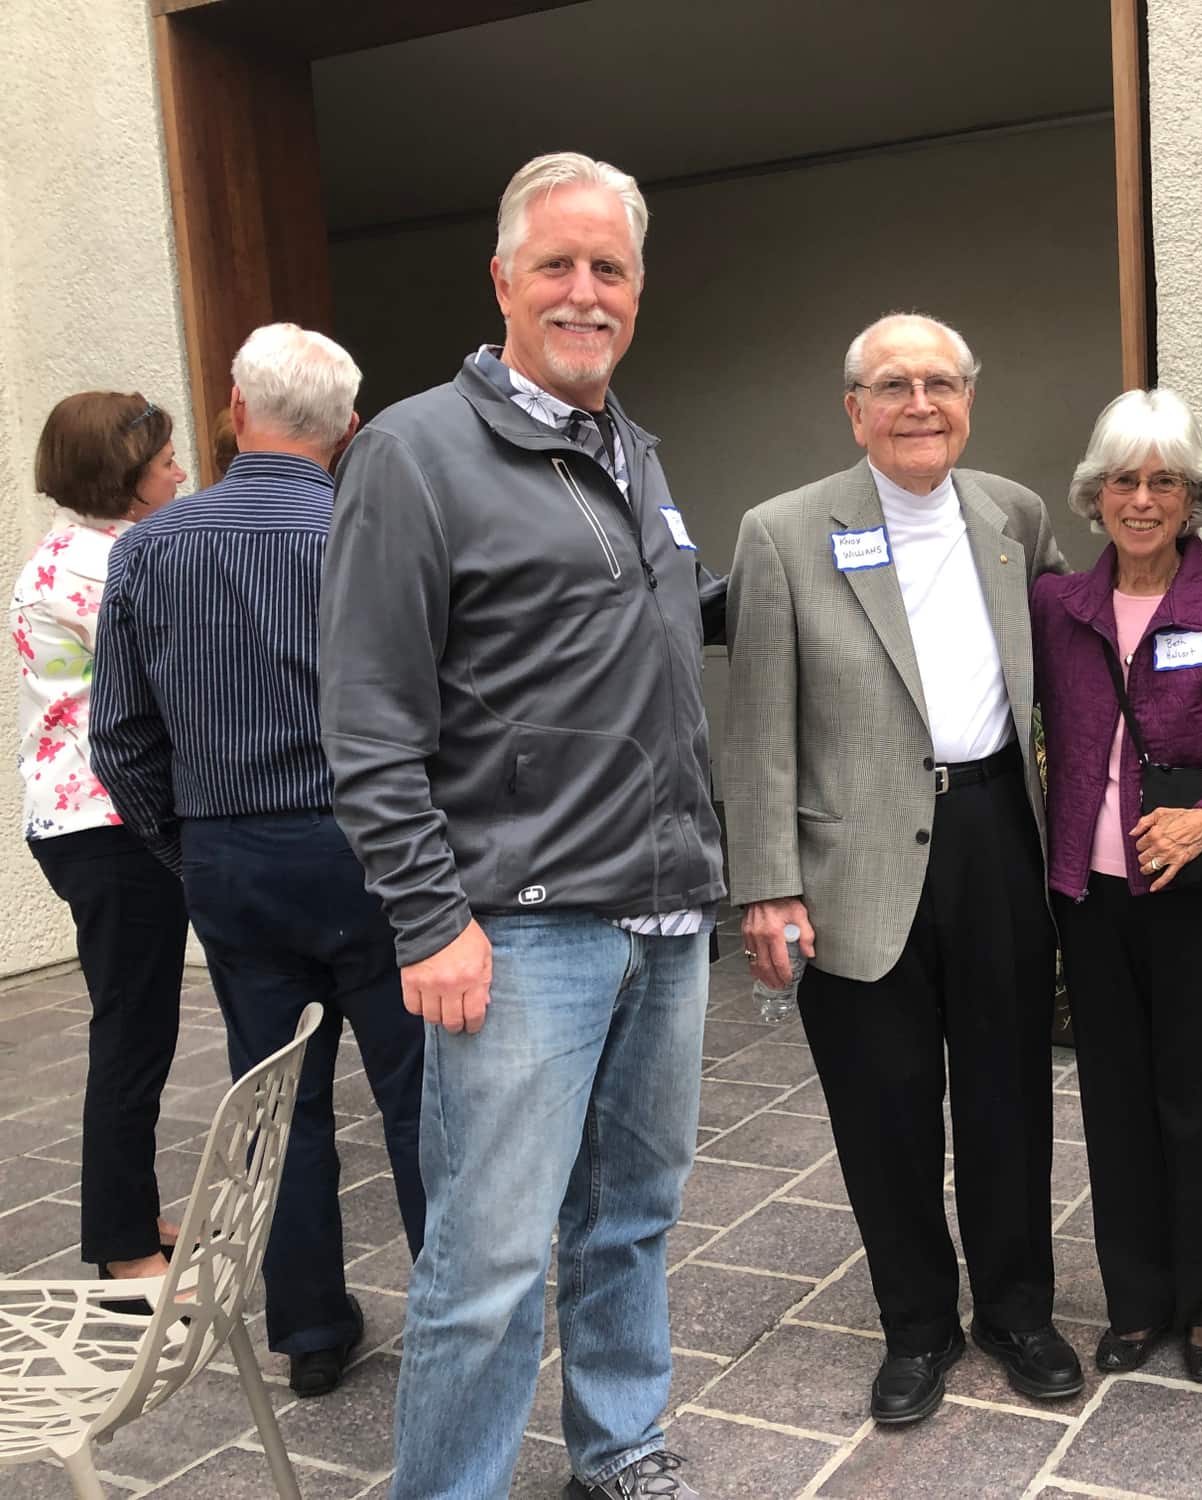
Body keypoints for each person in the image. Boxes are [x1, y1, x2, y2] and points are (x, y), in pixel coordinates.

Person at [320, 152, 724, 1500]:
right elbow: (368, 715)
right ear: (503, 278)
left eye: (610, 268)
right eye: (557, 264)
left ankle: (619, 1448)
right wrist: (428, 917)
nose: (585, 291)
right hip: (524, 926)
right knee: (487, 1260)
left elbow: (638, 644)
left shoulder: (635, 453)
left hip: (665, 914)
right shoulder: (416, 452)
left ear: (640, 288)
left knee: (631, 1221)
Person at [724, 312, 1078, 1426]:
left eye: (938, 382)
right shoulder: (782, 533)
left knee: (1008, 1096)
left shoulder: (1013, 514)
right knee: (883, 1111)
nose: (918, 403)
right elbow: (757, 727)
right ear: (854, 410)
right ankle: (915, 1326)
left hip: (994, 841)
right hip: (849, 861)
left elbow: (1075, 658)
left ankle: (1017, 1310)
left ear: (968, 398)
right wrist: (766, 884)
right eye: (892, 385)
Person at [90, 324, 426, 1398]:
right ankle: (462, 1314)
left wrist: (186, 847)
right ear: (350, 430)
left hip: (233, 852)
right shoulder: (376, 532)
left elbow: (119, 736)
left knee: (277, 1100)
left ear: (236, 409)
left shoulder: (149, 546)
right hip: (377, 843)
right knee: (424, 1097)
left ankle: (312, 1334)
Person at [1030, 388, 1202, 1384]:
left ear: (1193, 497)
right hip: (1091, 898)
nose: (1141, 499)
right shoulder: (1054, 609)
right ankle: (1134, 1301)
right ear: (1094, 495)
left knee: (1199, 1104)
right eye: (1123, 480)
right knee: (1113, 1103)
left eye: (1163, 482)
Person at [11, 392, 186, 1304]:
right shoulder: (99, 570)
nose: (180, 471)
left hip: (92, 820)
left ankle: (131, 1211)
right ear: (122, 474)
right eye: (164, 460)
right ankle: (124, 1251)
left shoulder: (86, 553)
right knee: (132, 1028)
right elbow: (176, 670)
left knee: (140, 1023)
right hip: (108, 824)